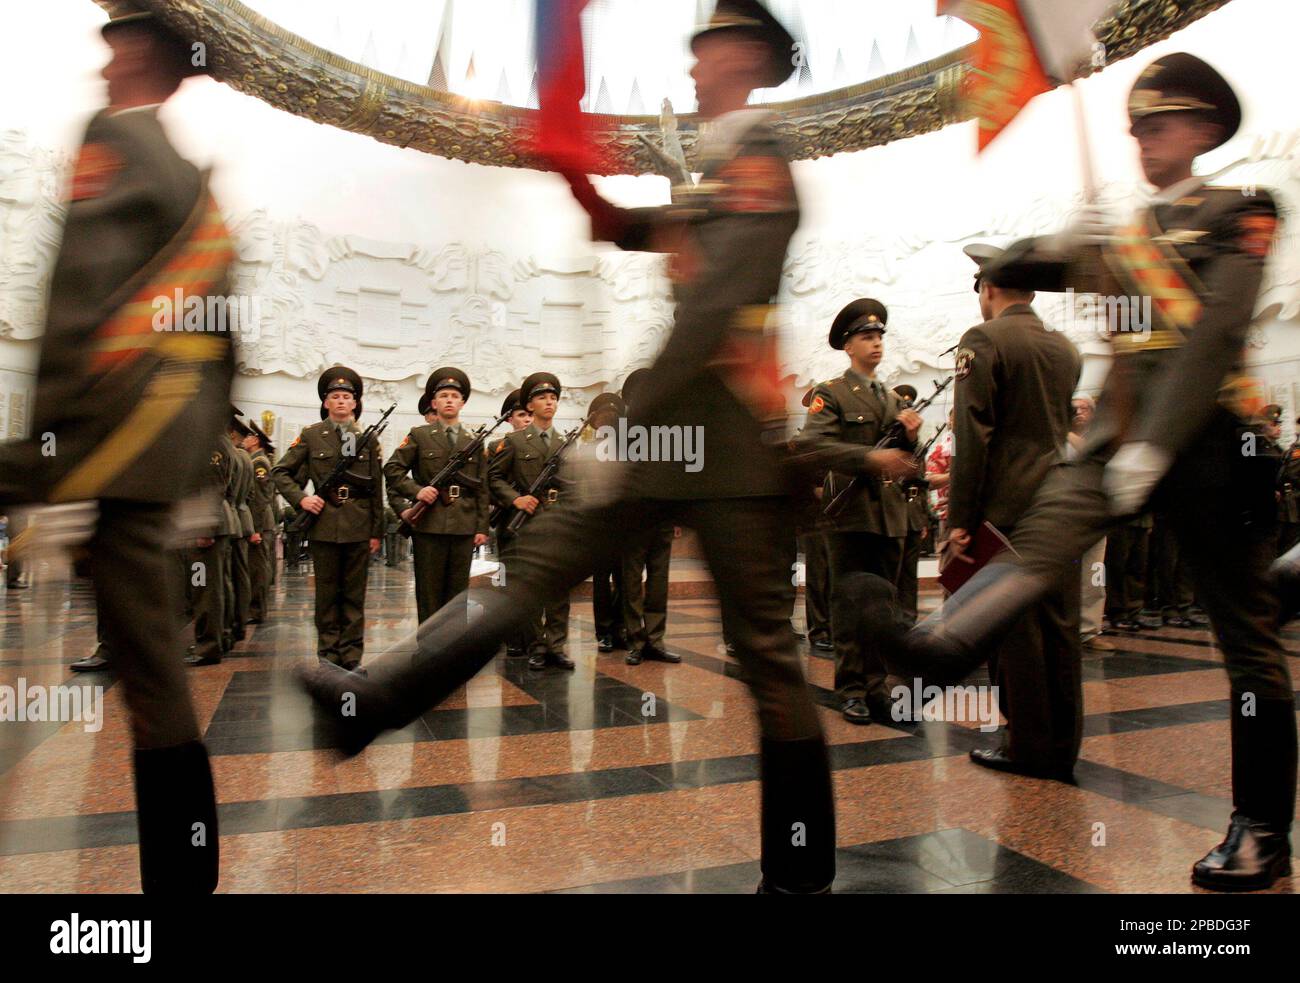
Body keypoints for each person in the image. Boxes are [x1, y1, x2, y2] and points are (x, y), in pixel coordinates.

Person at [299, 0, 835, 894]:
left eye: (705, 56)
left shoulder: (761, 160)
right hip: (674, 449)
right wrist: (581, 185)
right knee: (532, 569)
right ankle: (377, 698)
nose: (694, 73)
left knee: (769, 656)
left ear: (744, 55)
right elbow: (646, 233)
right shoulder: (721, 165)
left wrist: (629, 426)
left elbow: (713, 311)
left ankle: (801, 866)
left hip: (732, 454)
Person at [890, 53, 1293, 890]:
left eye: (1164, 124)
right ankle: (944, 647)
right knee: (1040, 540)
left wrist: (1158, 443)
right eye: (1138, 126)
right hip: (1115, 438)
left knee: (1246, 646)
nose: (1147, 139)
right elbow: (1021, 263)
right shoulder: (1126, 233)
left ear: (1206, 129)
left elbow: (1215, 331)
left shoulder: (1240, 213)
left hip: (1211, 440)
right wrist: (1063, 241)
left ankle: (1260, 827)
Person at [0, 8, 227, 892]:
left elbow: (79, 300)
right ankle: (186, 872)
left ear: (139, 53)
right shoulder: (200, 187)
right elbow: (220, 342)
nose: (103, 65)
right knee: (154, 672)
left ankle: (184, 878)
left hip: (94, 443)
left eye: (114, 46)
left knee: (155, 674)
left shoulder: (114, 141)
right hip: (154, 455)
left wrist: (46, 456)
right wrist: (194, 463)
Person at [943, 240, 1083, 779]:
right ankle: (1061, 747)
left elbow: (974, 439)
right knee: (1060, 628)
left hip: (1007, 508)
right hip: (1061, 502)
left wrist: (961, 520)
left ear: (989, 287)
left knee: (1015, 633)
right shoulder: (1064, 347)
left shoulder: (982, 339)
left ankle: (1025, 744)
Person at [795, 299, 920, 724]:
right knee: (850, 604)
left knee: (882, 607)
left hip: (889, 515)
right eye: (867, 337)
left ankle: (875, 685)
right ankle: (850, 689)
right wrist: (870, 459)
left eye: (880, 336)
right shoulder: (830, 394)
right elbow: (813, 446)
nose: (876, 343)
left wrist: (910, 441)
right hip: (849, 514)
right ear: (848, 346)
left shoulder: (888, 396)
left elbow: (904, 461)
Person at [273, 366, 385, 672]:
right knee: (326, 595)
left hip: (359, 527)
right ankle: (328, 655)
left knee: (353, 595)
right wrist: (302, 499)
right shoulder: (312, 435)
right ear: (325, 403)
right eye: (334, 396)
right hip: (323, 526)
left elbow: (376, 488)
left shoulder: (368, 440)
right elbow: (280, 472)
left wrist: (377, 531)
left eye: (346, 397)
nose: (340, 401)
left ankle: (351, 657)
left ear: (354, 403)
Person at [384, 368, 490, 624]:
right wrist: (417, 491)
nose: (449, 400)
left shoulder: (474, 440)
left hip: (463, 525)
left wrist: (481, 527)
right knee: (429, 592)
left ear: (463, 402)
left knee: (458, 594)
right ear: (434, 402)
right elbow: (392, 468)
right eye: (443, 395)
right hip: (428, 524)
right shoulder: (419, 435)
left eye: (455, 395)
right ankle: (428, 650)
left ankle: (452, 649)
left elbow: (482, 488)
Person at [488, 372, 577, 671]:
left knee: (558, 588)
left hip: (558, 522)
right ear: (530, 403)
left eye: (553, 398)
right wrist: (515, 499)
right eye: (542, 398)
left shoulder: (566, 443)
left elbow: (575, 485)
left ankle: (556, 645)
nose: (549, 402)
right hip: (526, 523)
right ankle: (537, 644)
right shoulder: (514, 441)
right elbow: (494, 477)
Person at [619, 368, 677, 666]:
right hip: (632, 520)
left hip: (662, 519)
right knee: (631, 584)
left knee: (659, 581)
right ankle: (635, 640)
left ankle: (655, 639)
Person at [243, 419, 278, 624]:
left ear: (255, 440)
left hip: (261, 523)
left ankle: (257, 610)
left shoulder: (259, 462)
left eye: (248, 437)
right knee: (257, 567)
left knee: (257, 569)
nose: (245, 440)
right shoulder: (257, 460)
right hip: (262, 522)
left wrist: (254, 529)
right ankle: (256, 609)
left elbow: (259, 498)